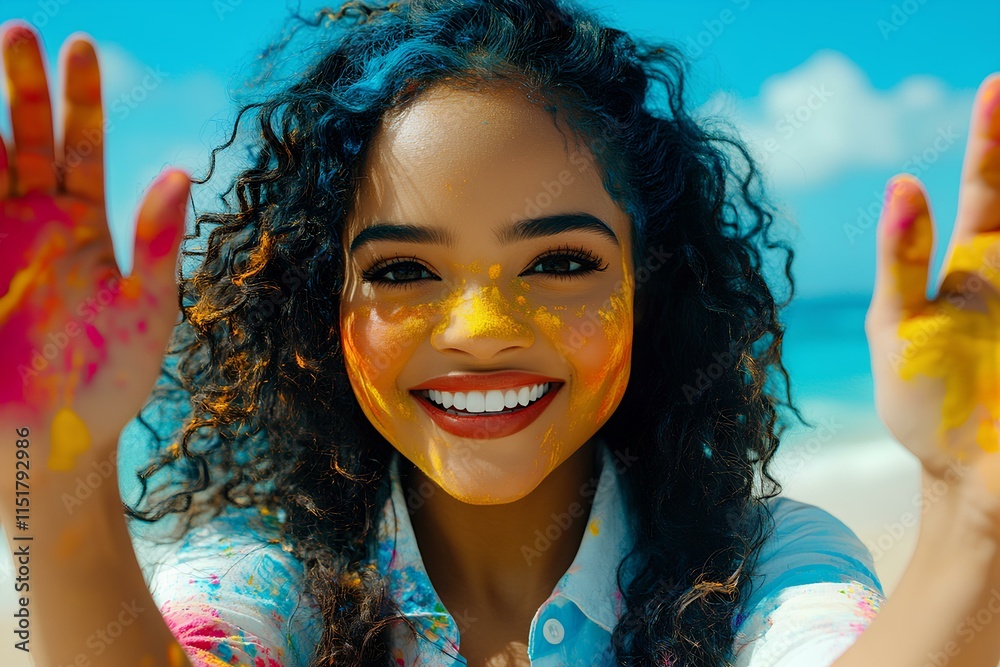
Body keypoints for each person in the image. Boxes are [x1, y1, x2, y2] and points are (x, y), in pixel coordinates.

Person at [1, 1, 998, 666]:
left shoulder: (766, 566)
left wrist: (969, 520)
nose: (479, 330)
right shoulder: (268, 574)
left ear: (651, 288)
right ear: (322, 307)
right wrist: (52, 482)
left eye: (560, 262)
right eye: (401, 270)